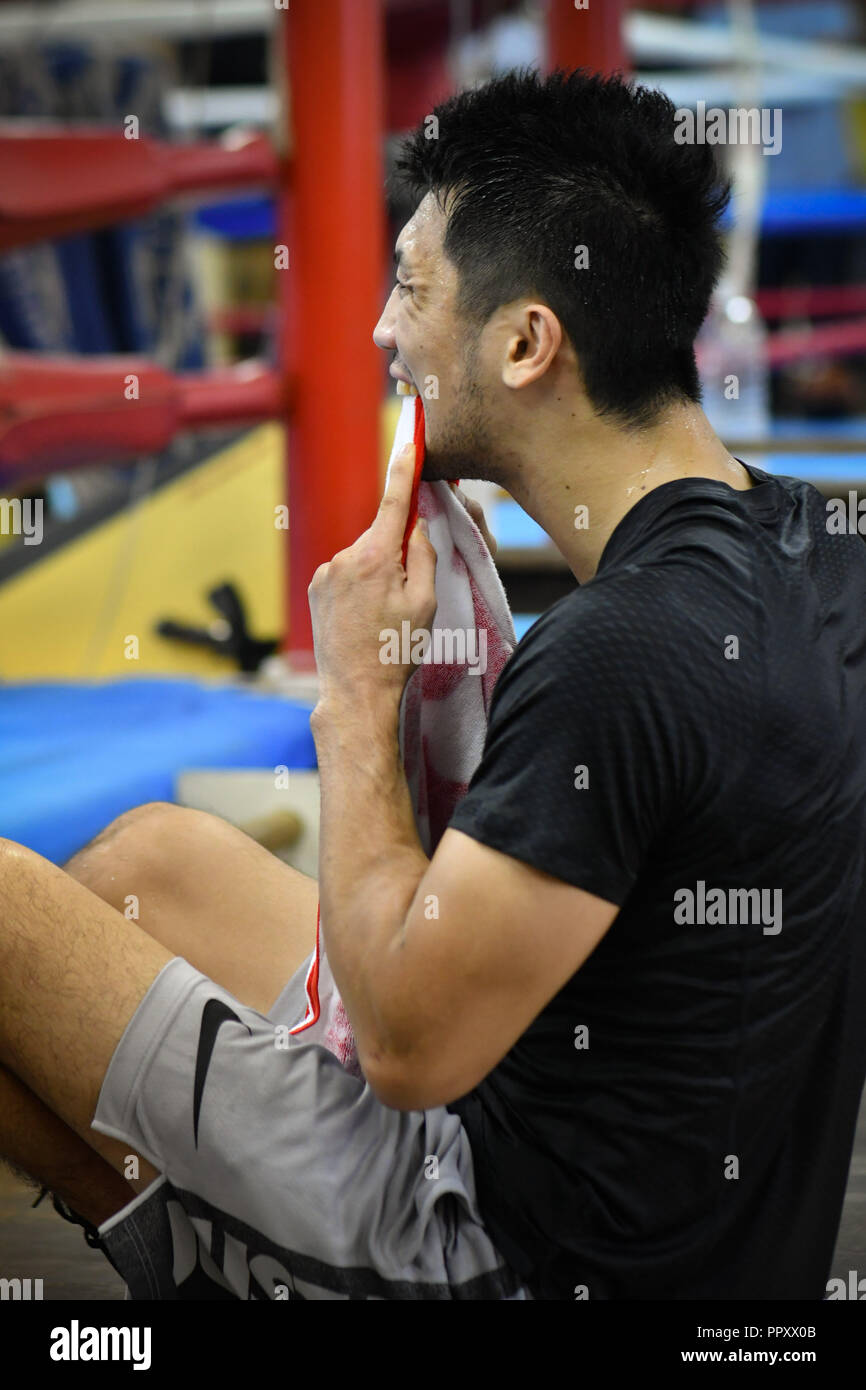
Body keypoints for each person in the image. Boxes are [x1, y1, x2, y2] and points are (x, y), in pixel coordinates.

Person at [2, 67, 865, 1301]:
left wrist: (357, 695)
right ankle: (204, 1220)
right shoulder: (817, 549)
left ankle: (201, 1256)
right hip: (679, 1205)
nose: (379, 331)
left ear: (525, 343)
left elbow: (408, 1047)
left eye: (410, 285)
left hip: (496, 1247)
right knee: (150, 868)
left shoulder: (614, 653)